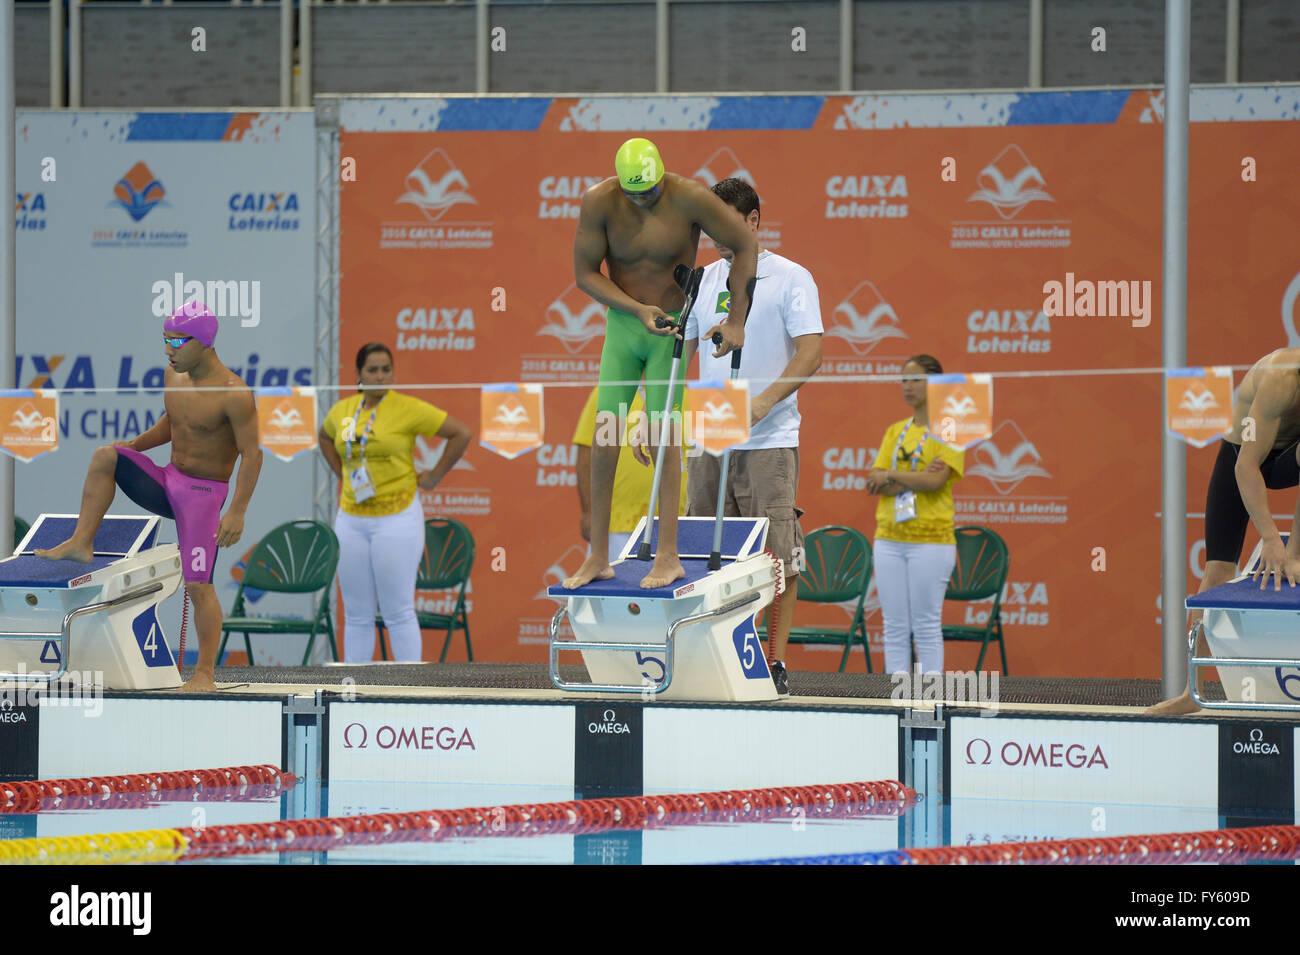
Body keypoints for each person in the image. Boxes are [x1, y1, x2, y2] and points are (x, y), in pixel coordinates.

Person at [562, 137, 758, 591]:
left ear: (660, 177)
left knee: (666, 435)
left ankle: (667, 555)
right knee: (606, 430)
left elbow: (744, 244)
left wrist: (736, 319)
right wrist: (634, 310)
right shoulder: (598, 201)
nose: (642, 200)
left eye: (649, 191)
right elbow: (584, 274)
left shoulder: (689, 196)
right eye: (634, 194)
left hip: (670, 330)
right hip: (625, 327)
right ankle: (598, 557)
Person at [36, 302, 262, 692]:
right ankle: (82, 541)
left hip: (204, 496)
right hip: (168, 481)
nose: (167, 350)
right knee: (107, 455)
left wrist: (237, 511)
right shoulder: (173, 377)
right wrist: (137, 446)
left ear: (204, 342)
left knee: (199, 586)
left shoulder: (234, 393)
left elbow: (252, 454)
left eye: (176, 340)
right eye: (165, 340)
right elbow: (173, 423)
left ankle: (204, 674)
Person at [681, 177, 823, 698]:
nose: (719, 239)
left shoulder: (791, 278)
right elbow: (683, 355)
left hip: (768, 438)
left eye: (729, 227)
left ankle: (775, 660)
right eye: (710, 228)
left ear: (755, 221)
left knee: (777, 554)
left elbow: (811, 351)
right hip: (710, 437)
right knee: (704, 551)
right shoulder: (701, 281)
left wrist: (764, 402)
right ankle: (711, 656)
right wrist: (651, 416)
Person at [1150, 347, 1300, 714]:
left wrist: (1293, 553)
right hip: (1242, 456)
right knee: (1216, 572)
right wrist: (1269, 538)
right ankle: (1191, 693)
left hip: (1288, 460)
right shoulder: (1281, 379)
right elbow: (1246, 466)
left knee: (1294, 561)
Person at [318, 343, 473, 663]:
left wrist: (435, 476)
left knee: (398, 611)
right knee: (358, 614)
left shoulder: (407, 408)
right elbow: (324, 436)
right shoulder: (343, 411)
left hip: (397, 518)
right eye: (372, 370)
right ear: (358, 375)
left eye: (386, 369)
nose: (379, 376)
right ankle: (354, 691)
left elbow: (461, 433)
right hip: (351, 519)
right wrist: (342, 475)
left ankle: (407, 693)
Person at [865, 355, 965, 677]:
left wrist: (893, 475)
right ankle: (898, 700)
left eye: (916, 379)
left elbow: (936, 482)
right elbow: (874, 483)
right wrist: (914, 476)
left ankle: (930, 701)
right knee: (893, 625)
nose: (907, 386)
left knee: (925, 623)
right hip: (890, 538)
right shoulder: (896, 430)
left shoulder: (949, 429)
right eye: (903, 380)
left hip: (931, 541)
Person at [572, 386, 689, 559]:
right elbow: (586, 452)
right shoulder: (610, 390)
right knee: (612, 584)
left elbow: (699, 458)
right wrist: (589, 512)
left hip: (676, 524)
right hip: (616, 523)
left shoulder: (684, 394)